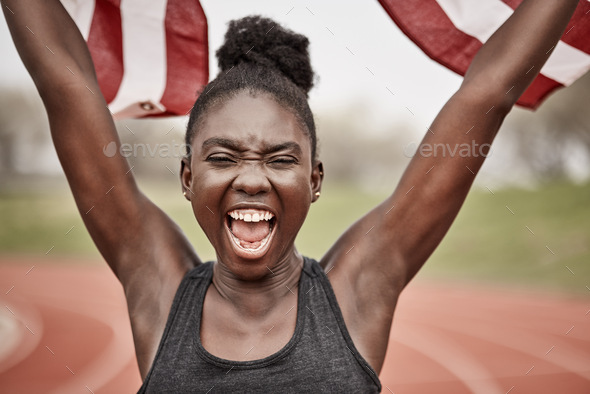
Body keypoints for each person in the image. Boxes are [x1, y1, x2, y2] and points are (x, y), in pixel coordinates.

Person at [3, 0, 579, 392]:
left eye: (280, 160)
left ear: (316, 179)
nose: (252, 179)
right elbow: (67, 90)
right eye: (223, 157)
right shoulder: (156, 285)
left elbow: (486, 93)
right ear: (186, 177)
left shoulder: (358, 288)